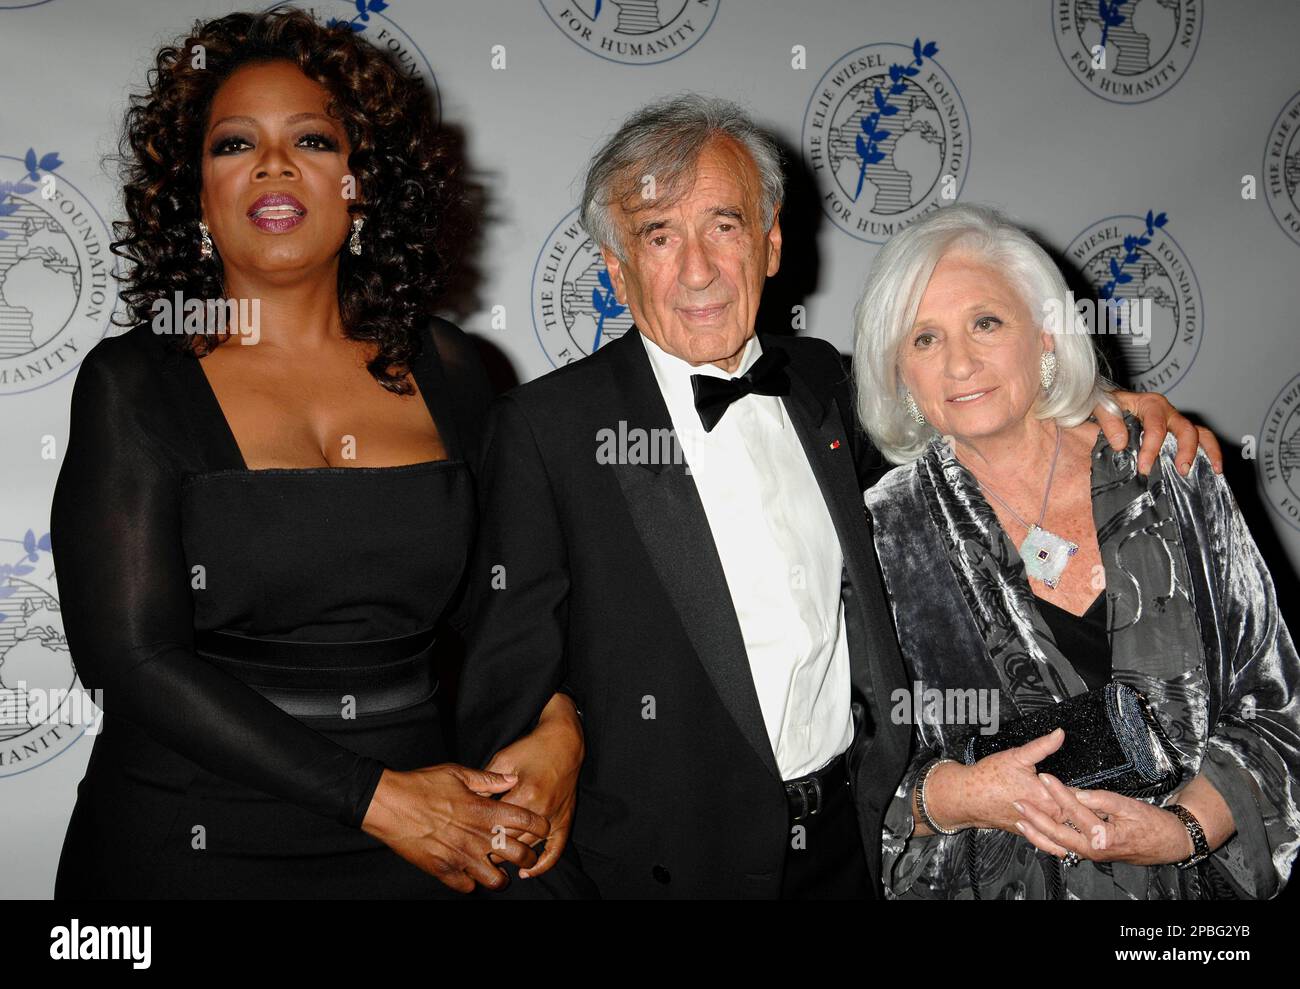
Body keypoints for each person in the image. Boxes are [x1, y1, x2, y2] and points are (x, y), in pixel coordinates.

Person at [454, 95, 1214, 898]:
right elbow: (506, 700)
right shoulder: (548, 430)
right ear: (615, 268)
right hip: (661, 868)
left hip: (856, 847)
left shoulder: (823, 382)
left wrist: (1108, 410)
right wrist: (555, 729)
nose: (700, 268)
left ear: (772, 240)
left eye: (724, 224)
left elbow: (980, 416)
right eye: (658, 235)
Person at [49, 9, 581, 899]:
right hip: (191, 833)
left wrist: (560, 721)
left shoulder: (452, 367)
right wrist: (377, 801)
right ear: (196, 195)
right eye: (232, 144)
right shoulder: (134, 379)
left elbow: (506, 606)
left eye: (312, 138)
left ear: (360, 182)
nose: (272, 163)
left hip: (429, 834)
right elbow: (129, 657)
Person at [856, 202, 1300, 899]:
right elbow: (861, 768)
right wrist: (967, 793)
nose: (960, 362)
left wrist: (1180, 826)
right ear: (900, 375)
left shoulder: (1167, 470)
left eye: (985, 322)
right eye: (924, 339)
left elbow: (1280, 709)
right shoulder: (881, 532)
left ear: (1048, 337)